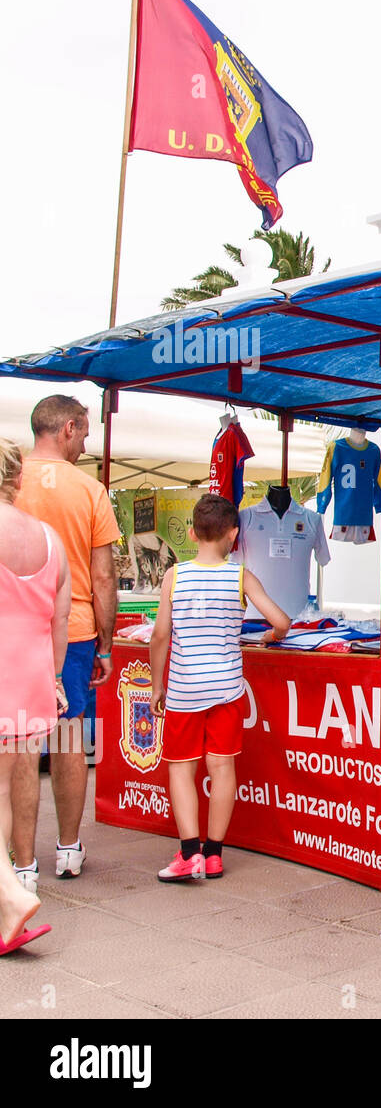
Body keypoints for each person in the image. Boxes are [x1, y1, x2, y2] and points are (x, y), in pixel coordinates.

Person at [148, 494, 290, 881]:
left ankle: (188, 852)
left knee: (181, 770)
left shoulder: (174, 576)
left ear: (192, 533)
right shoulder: (240, 575)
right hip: (227, 689)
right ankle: (213, 855)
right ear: (233, 534)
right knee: (222, 767)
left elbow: (160, 636)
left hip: (184, 689)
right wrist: (269, 636)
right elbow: (281, 620)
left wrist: (157, 685)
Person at [11, 396, 120, 893]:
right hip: (72, 629)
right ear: (69, 427)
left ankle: (21, 863)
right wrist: (105, 642)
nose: (86, 444)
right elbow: (103, 574)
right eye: (84, 434)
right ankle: (70, 848)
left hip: (11, 630)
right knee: (69, 735)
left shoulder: (10, 480)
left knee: (19, 744)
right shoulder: (90, 489)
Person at [0, 439, 69, 950]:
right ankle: (15, 886)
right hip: (32, 676)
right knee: (9, 785)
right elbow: (60, 619)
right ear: (18, 477)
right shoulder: (49, 538)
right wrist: (56, 678)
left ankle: (13, 900)